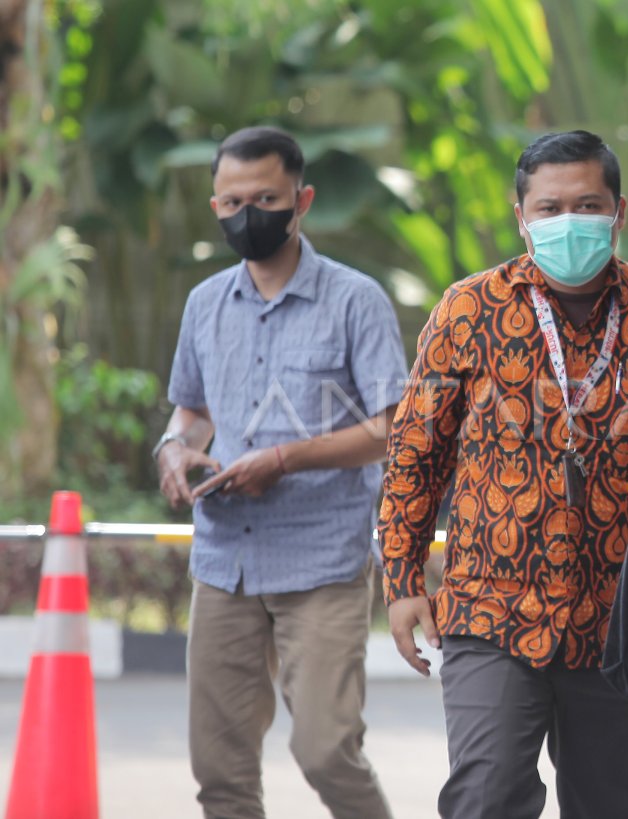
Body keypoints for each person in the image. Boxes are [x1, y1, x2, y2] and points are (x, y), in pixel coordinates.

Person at [378, 129, 628, 819]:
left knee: (611, 806)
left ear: (619, 212)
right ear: (521, 216)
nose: (569, 222)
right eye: (550, 208)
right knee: (486, 794)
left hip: (615, 616)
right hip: (490, 606)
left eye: (588, 205)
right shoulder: (468, 309)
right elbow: (415, 453)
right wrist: (402, 581)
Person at [154, 125, 403, 819]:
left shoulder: (356, 300)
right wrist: (174, 450)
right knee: (220, 772)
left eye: (266, 198)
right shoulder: (205, 303)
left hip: (320, 564)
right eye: (232, 202)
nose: (248, 214)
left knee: (326, 751)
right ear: (215, 207)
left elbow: (393, 429)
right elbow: (192, 410)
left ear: (302, 200)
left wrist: (286, 458)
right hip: (223, 562)